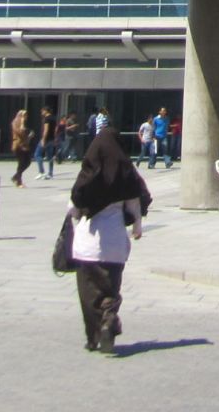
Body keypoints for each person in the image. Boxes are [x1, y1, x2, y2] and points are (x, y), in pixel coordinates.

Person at [70, 124, 150, 355]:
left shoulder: (87, 174)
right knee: (110, 288)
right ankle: (108, 316)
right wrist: (137, 228)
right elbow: (135, 206)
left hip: (87, 244)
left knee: (88, 294)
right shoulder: (125, 174)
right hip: (115, 243)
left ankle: (93, 337)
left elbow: (73, 209)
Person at [11, 109, 35, 188]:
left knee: (27, 162)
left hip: (25, 146)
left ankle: (16, 176)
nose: (25, 117)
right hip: (18, 146)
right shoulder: (15, 122)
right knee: (21, 163)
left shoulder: (23, 124)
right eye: (24, 115)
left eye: (26, 115)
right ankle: (19, 181)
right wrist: (22, 123)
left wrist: (30, 134)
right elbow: (20, 132)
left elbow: (26, 133)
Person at [38, 108, 57, 179]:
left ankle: (41, 172)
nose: (41, 112)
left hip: (46, 139)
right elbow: (55, 129)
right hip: (51, 139)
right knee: (50, 157)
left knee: (37, 154)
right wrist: (54, 138)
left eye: (42, 111)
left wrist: (43, 139)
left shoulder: (47, 119)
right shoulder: (53, 118)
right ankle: (50, 173)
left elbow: (46, 130)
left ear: (46, 111)